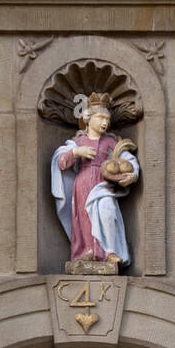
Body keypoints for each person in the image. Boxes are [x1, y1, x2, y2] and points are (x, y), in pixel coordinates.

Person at [51, 93, 140, 267]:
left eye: (107, 118)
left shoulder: (110, 142)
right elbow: (60, 161)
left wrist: (133, 173)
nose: (104, 122)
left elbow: (128, 159)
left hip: (103, 184)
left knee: (107, 210)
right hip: (83, 183)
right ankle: (86, 252)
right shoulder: (78, 141)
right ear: (88, 119)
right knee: (84, 218)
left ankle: (109, 251)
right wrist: (76, 152)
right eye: (100, 117)